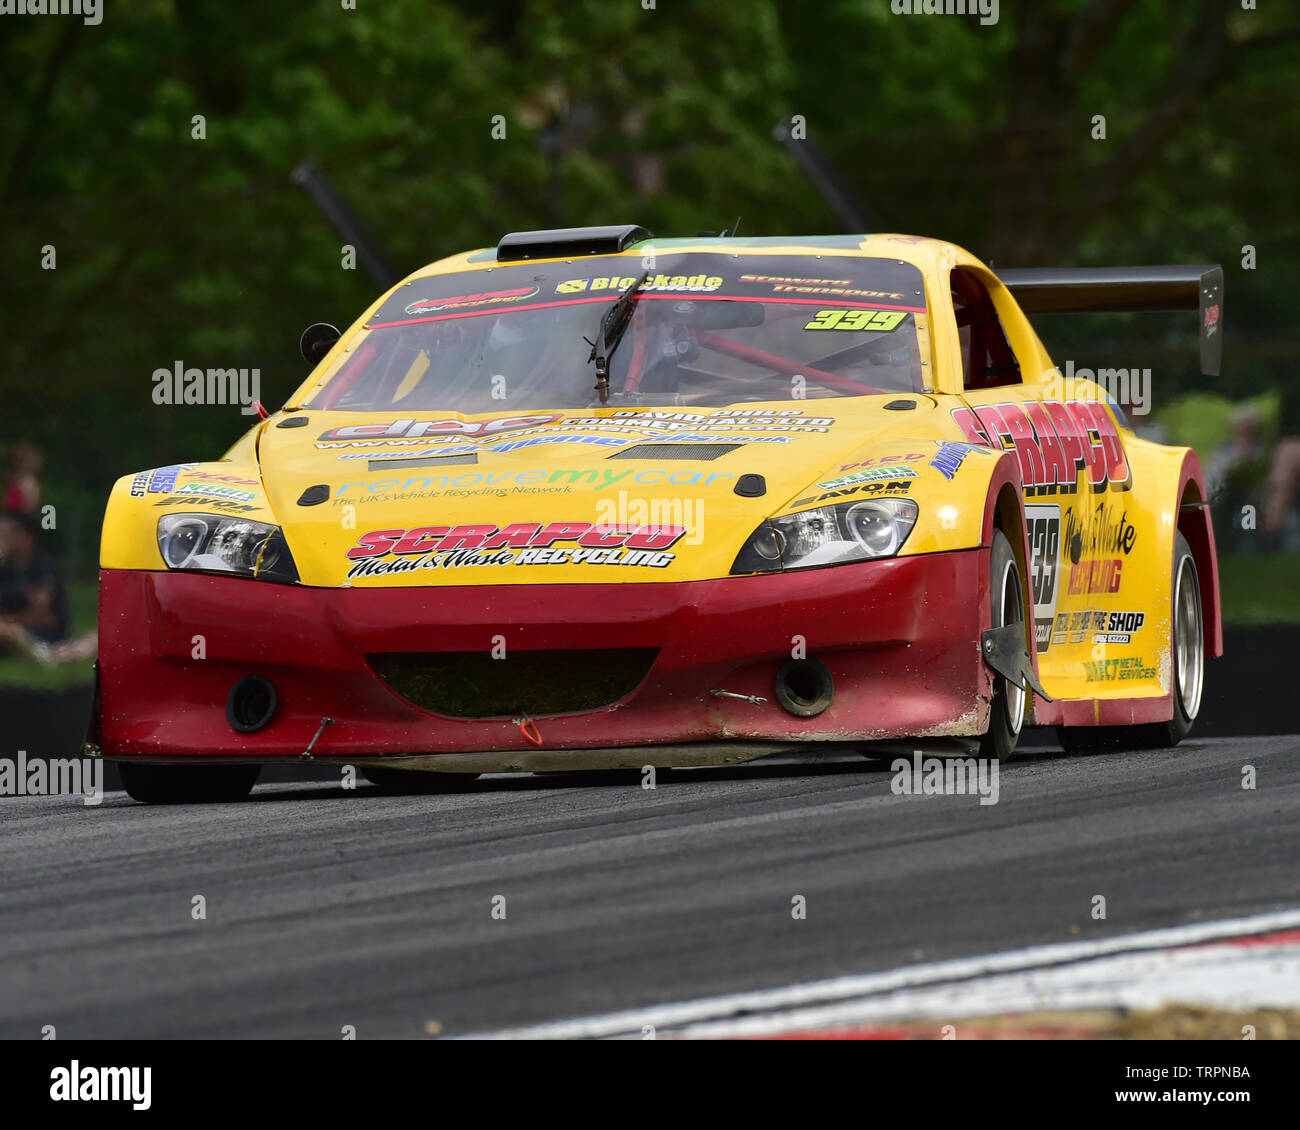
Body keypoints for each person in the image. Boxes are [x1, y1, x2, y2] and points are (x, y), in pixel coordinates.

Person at [0, 510, 69, 650]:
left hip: (42, 634)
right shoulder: (6, 568)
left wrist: (10, 622)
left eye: (7, 535)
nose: (3, 540)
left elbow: (43, 616)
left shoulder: (43, 568)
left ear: (26, 536)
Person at [3, 441, 43, 515]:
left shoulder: (30, 482)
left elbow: (32, 504)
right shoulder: (15, 480)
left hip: (22, 515)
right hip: (12, 514)